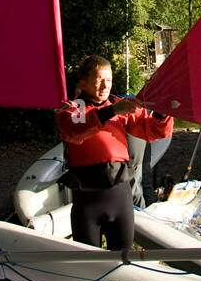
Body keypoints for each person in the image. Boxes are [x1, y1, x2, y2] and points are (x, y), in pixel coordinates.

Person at [55, 55, 173, 249]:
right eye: (99, 80)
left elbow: (154, 131)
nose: (105, 86)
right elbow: (73, 130)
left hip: (120, 199)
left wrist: (161, 113)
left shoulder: (116, 105)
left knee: (122, 260)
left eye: (108, 80)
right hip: (87, 201)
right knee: (90, 264)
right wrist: (112, 111)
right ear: (83, 82)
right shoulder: (71, 108)